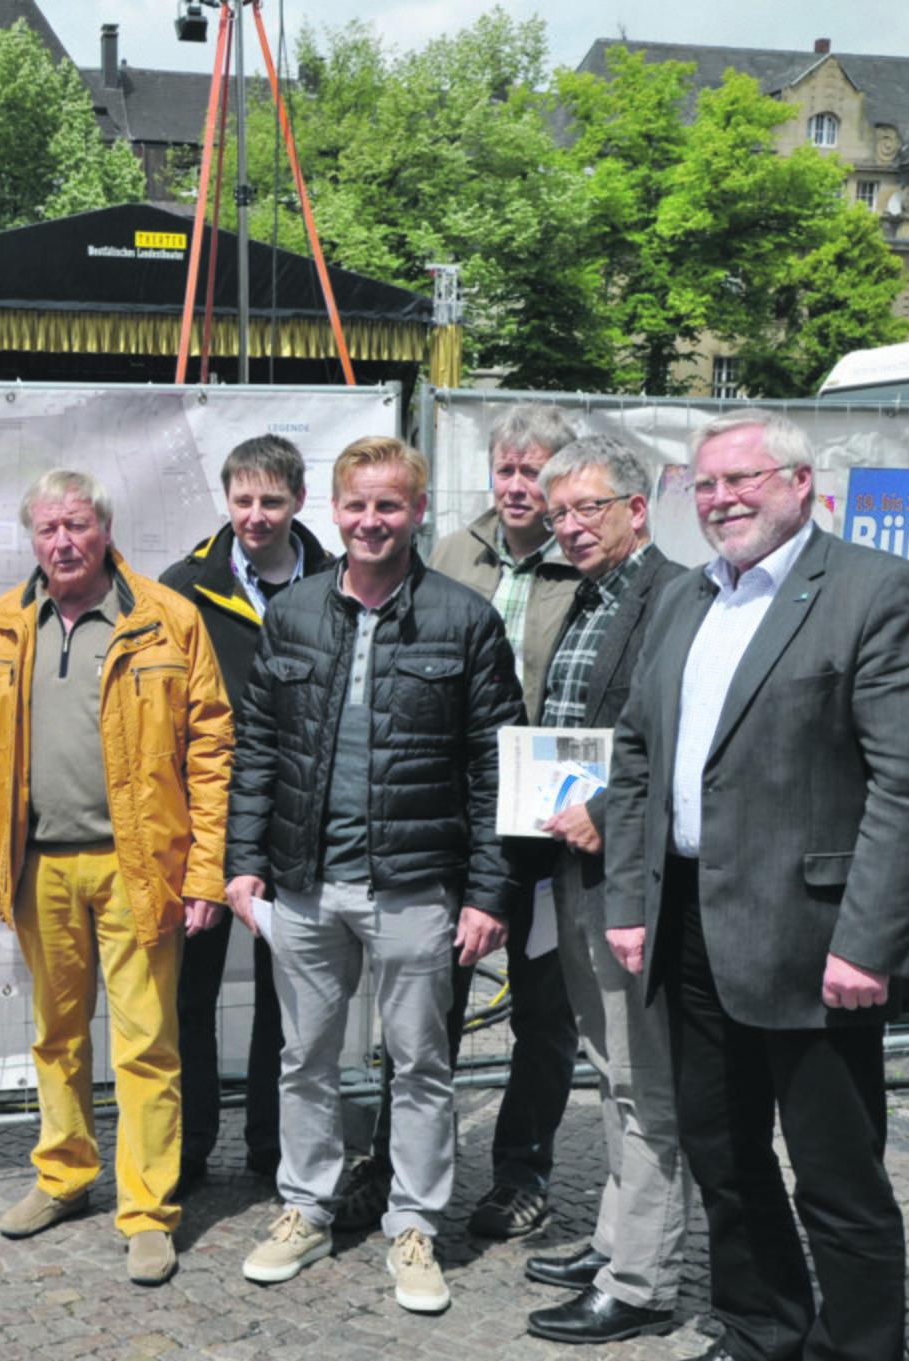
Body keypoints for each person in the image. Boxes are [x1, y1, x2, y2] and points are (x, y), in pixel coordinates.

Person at [605, 410, 909, 1361]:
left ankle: (859, 1346)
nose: (721, 500)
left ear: (802, 484)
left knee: (837, 1177)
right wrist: (631, 902)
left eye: (743, 480)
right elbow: (638, 755)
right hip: (690, 925)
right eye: (706, 485)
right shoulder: (685, 600)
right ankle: (762, 1326)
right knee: (723, 1152)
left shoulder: (883, 593)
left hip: (815, 940)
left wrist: (869, 942)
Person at [226, 436, 522, 1314]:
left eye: (389, 505)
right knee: (303, 1057)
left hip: (417, 887)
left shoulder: (465, 620)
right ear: (334, 508)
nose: (371, 521)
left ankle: (414, 1221)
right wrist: (243, 864)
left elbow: (492, 767)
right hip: (308, 883)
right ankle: (306, 1206)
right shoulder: (297, 613)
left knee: (422, 1065)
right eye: (357, 504)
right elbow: (261, 750)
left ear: (418, 511)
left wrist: (490, 891)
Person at [0, 469, 233, 1287]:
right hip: (38, 867)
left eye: (76, 525)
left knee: (148, 1044)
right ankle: (65, 1176)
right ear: (32, 539)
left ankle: (148, 1212)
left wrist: (206, 873)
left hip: (140, 868)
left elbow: (212, 753)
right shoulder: (1, 625)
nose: (62, 542)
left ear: (105, 530)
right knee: (56, 1036)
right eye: (47, 529)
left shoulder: (166, 620)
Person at [394, 402, 582, 1242]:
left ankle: (522, 1169)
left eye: (534, 471)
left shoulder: (584, 563)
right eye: (506, 469)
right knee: (426, 1005)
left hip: (548, 829)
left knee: (545, 1013)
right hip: (455, 819)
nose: (517, 485)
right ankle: (401, 1164)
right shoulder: (449, 553)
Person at [516, 437, 688, 1346]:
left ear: (637, 507)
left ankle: (642, 1280)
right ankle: (621, 1237)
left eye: (589, 509)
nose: (572, 527)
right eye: (559, 515)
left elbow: (679, 739)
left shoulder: (676, 597)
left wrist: (610, 817)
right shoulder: (583, 595)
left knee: (643, 1082)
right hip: (574, 868)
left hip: (630, 874)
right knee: (607, 1068)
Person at [159, 435, 335, 1197]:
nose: (255, 516)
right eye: (243, 500)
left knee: (286, 992)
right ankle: (190, 1145)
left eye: (271, 501)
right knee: (188, 992)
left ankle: (272, 1145)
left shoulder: (337, 582)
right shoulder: (182, 586)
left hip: (297, 818)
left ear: (298, 501)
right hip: (204, 821)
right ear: (226, 501)